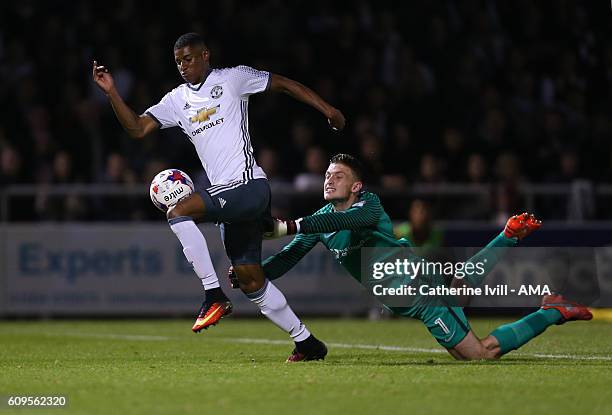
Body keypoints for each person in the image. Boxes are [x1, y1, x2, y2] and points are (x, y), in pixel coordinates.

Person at [92, 32, 345, 361]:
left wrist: (328, 109)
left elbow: (282, 83)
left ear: (205, 55)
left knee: (177, 212)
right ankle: (307, 343)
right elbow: (138, 129)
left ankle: (213, 294)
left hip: (248, 185)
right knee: (250, 279)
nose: (183, 65)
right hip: (231, 200)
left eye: (189, 58)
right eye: (178, 61)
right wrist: (112, 92)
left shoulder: (232, 79)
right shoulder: (176, 100)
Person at [251, 154, 592, 360]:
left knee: (479, 353)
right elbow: (289, 257)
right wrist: (253, 273)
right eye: (327, 175)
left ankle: (551, 312)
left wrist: (290, 224)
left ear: (356, 186)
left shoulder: (368, 206)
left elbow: (346, 220)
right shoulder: (322, 220)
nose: (329, 180)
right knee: (461, 295)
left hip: (420, 289)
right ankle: (509, 240)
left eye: (338, 176)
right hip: (409, 299)